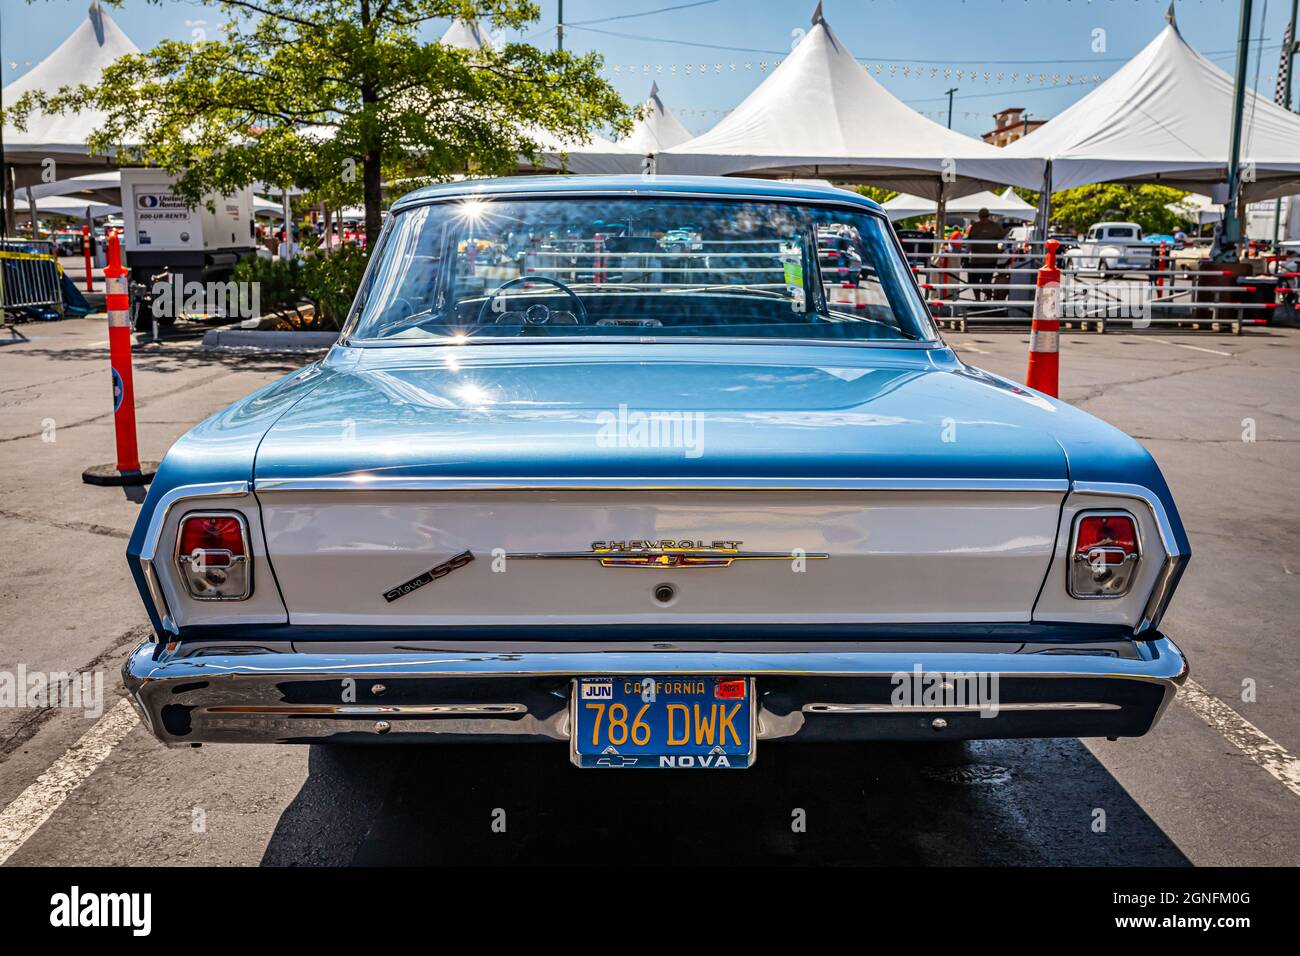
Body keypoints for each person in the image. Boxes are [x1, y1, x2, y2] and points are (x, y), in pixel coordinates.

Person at [964, 208, 1006, 301]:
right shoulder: (975, 226)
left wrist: (1000, 250)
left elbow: (1004, 239)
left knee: (986, 281)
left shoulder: (994, 226)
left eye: (985, 216)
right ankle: (978, 300)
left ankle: (986, 300)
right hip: (976, 259)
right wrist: (966, 256)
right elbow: (969, 242)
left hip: (988, 259)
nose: (984, 219)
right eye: (983, 217)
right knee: (975, 281)